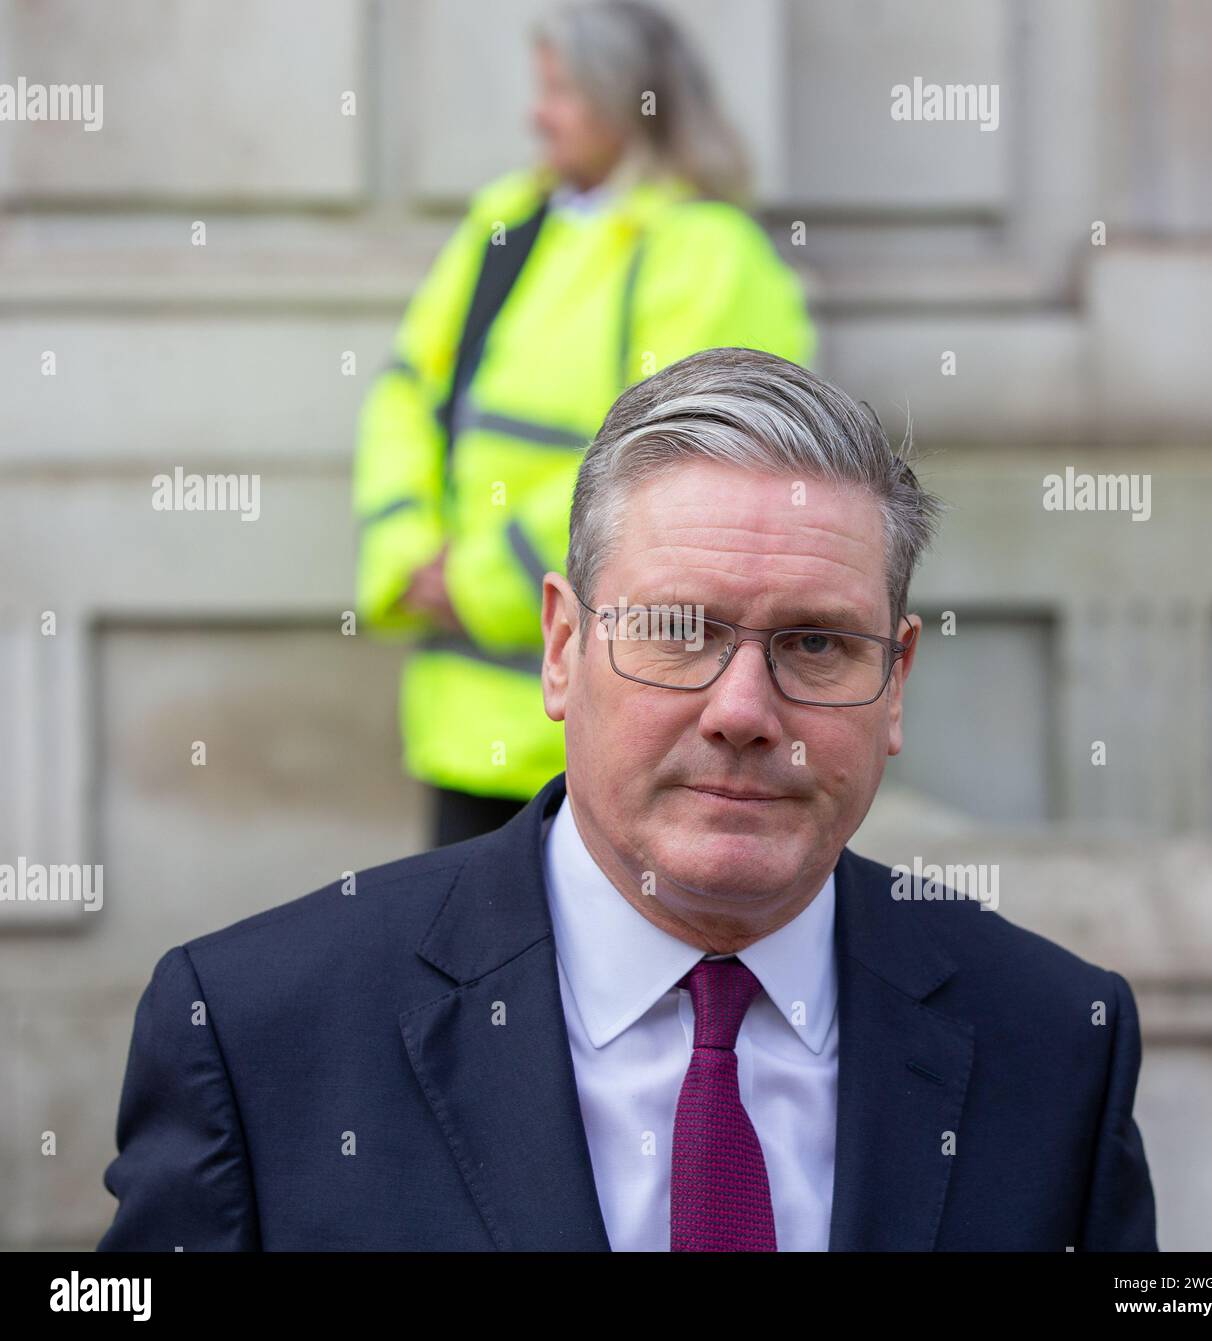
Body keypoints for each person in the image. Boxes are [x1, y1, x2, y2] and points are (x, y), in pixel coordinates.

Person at [98, 346, 1158, 1251]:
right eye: (676, 632)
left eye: (816, 643)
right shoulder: (256, 1035)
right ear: (562, 649)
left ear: (896, 683)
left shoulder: (1056, 1043)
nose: (743, 710)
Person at [353, 0, 814, 848]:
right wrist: (405, 553)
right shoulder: (508, 222)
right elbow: (406, 393)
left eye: (559, 91)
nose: (538, 114)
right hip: (461, 718)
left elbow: (674, 463)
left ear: (624, 98)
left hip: (615, 731)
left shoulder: (708, 255)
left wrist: (480, 581)